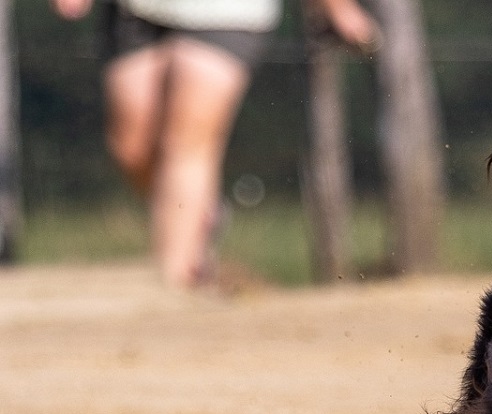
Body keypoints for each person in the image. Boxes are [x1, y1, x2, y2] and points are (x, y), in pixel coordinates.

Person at [51, 0, 379, 290]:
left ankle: (175, 284)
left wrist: (336, 7)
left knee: (184, 144)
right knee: (131, 148)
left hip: (226, 12)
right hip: (135, 11)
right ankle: (200, 215)